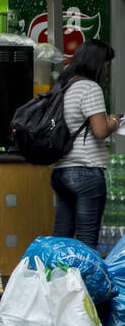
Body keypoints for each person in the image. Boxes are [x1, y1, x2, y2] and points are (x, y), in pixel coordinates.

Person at [49, 39, 118, 249]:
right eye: (106, 65)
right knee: (87, 240)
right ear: (98, 63)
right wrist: (114, 122)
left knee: (61, 237)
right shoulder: (89, 88)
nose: (106, 70)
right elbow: (100, 131)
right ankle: (82, 282)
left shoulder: (62, 86)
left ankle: (54, 280)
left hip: (61, 171)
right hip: (85, 172)